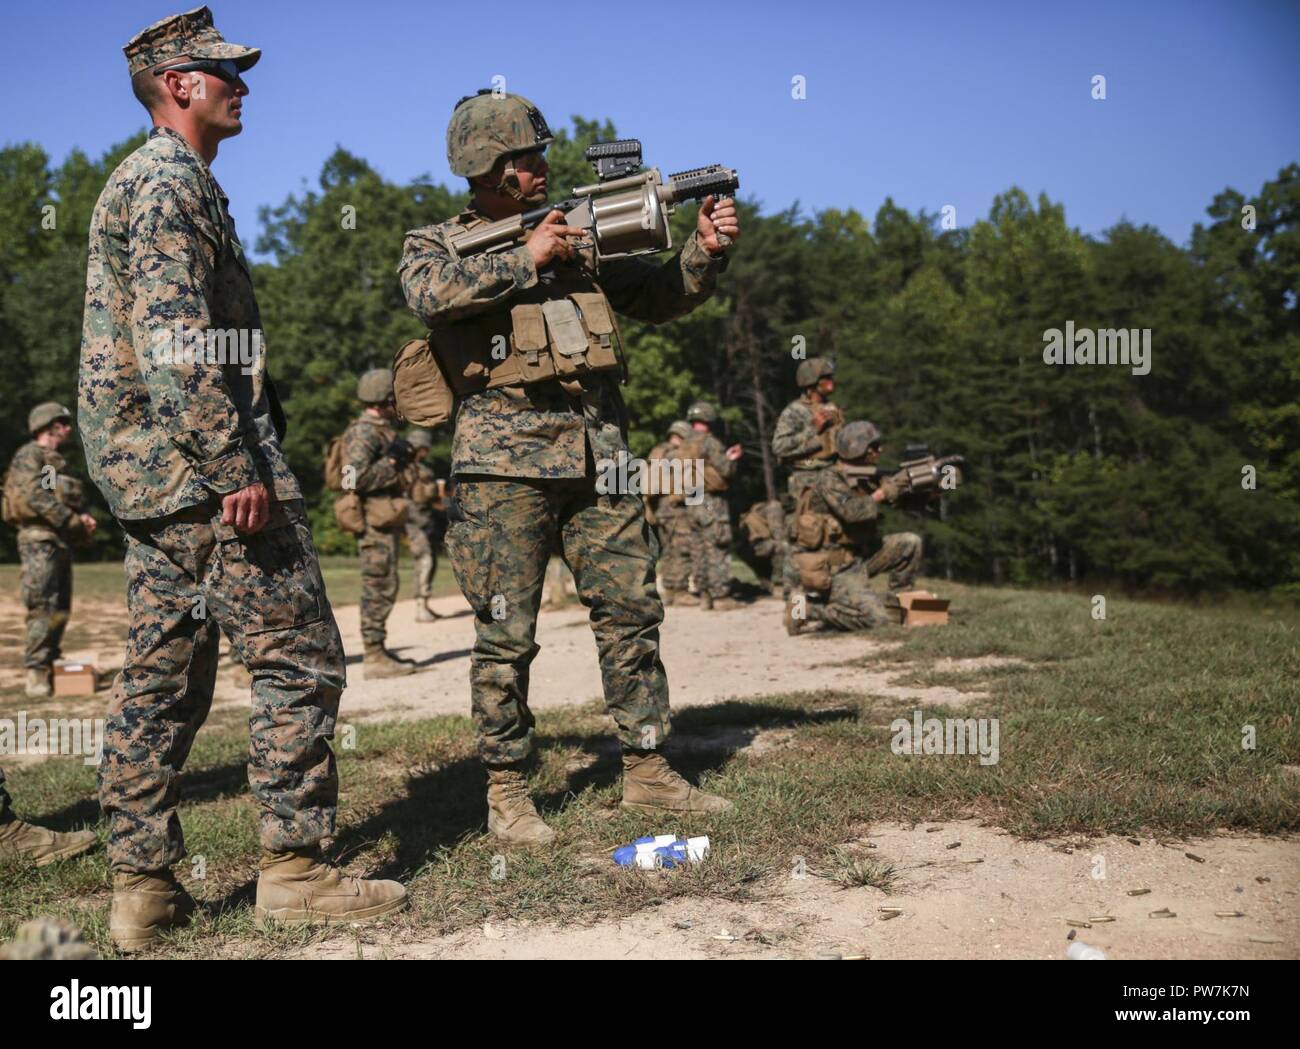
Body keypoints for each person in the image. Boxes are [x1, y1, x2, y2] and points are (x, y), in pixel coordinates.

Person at [79, 6, 405, 950]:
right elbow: (179, 344)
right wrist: (233, 466)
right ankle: (295, 870)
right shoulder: (169, 181)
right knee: (299, 657)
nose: (242, 86)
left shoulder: (149, 182)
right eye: (225, 73)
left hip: (150, 482)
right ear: (177, 84)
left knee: (162, 681)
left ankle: (142, 891)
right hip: (201, 473)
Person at [399, 89, 740, 845]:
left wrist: (703, 252)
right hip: (502, 467)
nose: (540, 169)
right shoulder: (435, 243)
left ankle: (649, 770)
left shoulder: (582, 238)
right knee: (505, 633)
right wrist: (527, 258)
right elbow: (428, 294)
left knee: (630, 611)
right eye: (524, 161)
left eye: (540, 156)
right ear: (485, 171)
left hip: (602, 454)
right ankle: (509, 790)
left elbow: (657, 294)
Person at [785, 421, 923, 635]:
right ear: (860, 450)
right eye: (875, 447)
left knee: (909, 543)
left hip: (861, 556)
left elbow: (903, 501)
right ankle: (807, 609)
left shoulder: (866, 477)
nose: (880, 451)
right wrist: (881, 494)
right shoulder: (829, 478)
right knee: (876, 620)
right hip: (835, 567)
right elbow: (851, 512)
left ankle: (898, 607)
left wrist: (923, 488)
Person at [2, 403, 98, 697]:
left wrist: (81, 519)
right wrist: (72, 520)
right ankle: (36, 672)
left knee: (60, 606)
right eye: (63, 423)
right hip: (39, 539)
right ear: (49, 426)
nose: (69, 429)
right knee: (43, 603)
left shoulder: (50, 461)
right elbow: (36, 497)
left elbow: (49, 495)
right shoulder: (31, 455)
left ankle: (52, 661)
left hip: (57, 539)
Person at [339, 368, 418, 677]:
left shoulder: (380, 429)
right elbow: (351, 478)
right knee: (378, 585)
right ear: (385, 399)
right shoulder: (365, 432)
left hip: (384, 518)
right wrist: (392, 463)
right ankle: (374, 656)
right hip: (374, 521)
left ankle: (378, 649)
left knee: (385, 583)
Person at [678, 402, 743, 609]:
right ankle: (721, 596)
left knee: (699, 547)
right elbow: (725, 470)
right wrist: (731, 459)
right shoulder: (710, 442)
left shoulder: (684, 444)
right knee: (717, 544)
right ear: (709, 419)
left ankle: (704, 594)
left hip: (692, 497)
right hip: (710, 499)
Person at [772, 357, 842, 503]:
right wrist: (813, 429)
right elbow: (779, 447)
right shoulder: (795, 411)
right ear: (813, 382)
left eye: (831, 377)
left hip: (834, 476)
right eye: (826, 378)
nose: (831, 380)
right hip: (807, 481)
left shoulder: (832, 408)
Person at [645, 420, 695, 605]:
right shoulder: (677, 454)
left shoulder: (657, 452)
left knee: (668, 549)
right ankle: (680, 591)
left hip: (660, 508)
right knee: (682, 548)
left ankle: (669, 591)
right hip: (675, 507)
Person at [403, 428, 447, 622]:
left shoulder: (421, 467)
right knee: (425, 561)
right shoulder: (404, 468)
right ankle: (420, 607)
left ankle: (426, 604)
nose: (425, 452)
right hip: (412, 522)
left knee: (431, 561)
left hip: (425, 520)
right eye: (423, 448)